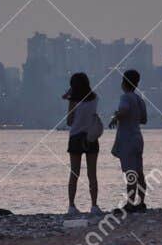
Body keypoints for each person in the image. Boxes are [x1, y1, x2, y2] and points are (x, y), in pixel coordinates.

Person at [108, 69, 149, 212]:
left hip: (128, 140)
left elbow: (124, 110)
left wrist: (115, 117)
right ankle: (141, 202)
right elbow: (144, 119)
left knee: (130, 174)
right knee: (140, 172)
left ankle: (130, 204)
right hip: (138, 138)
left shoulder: (125, 97)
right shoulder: (140, 99)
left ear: (124, 82)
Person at [62, 72, 102, 215]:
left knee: (74, 173)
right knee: (92, 174)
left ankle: (72, 206)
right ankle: (94, 205)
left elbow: (69, 121)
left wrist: (69, 95)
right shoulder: (95, 98)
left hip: (75, 138)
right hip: (91, 137)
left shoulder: (73, 101)